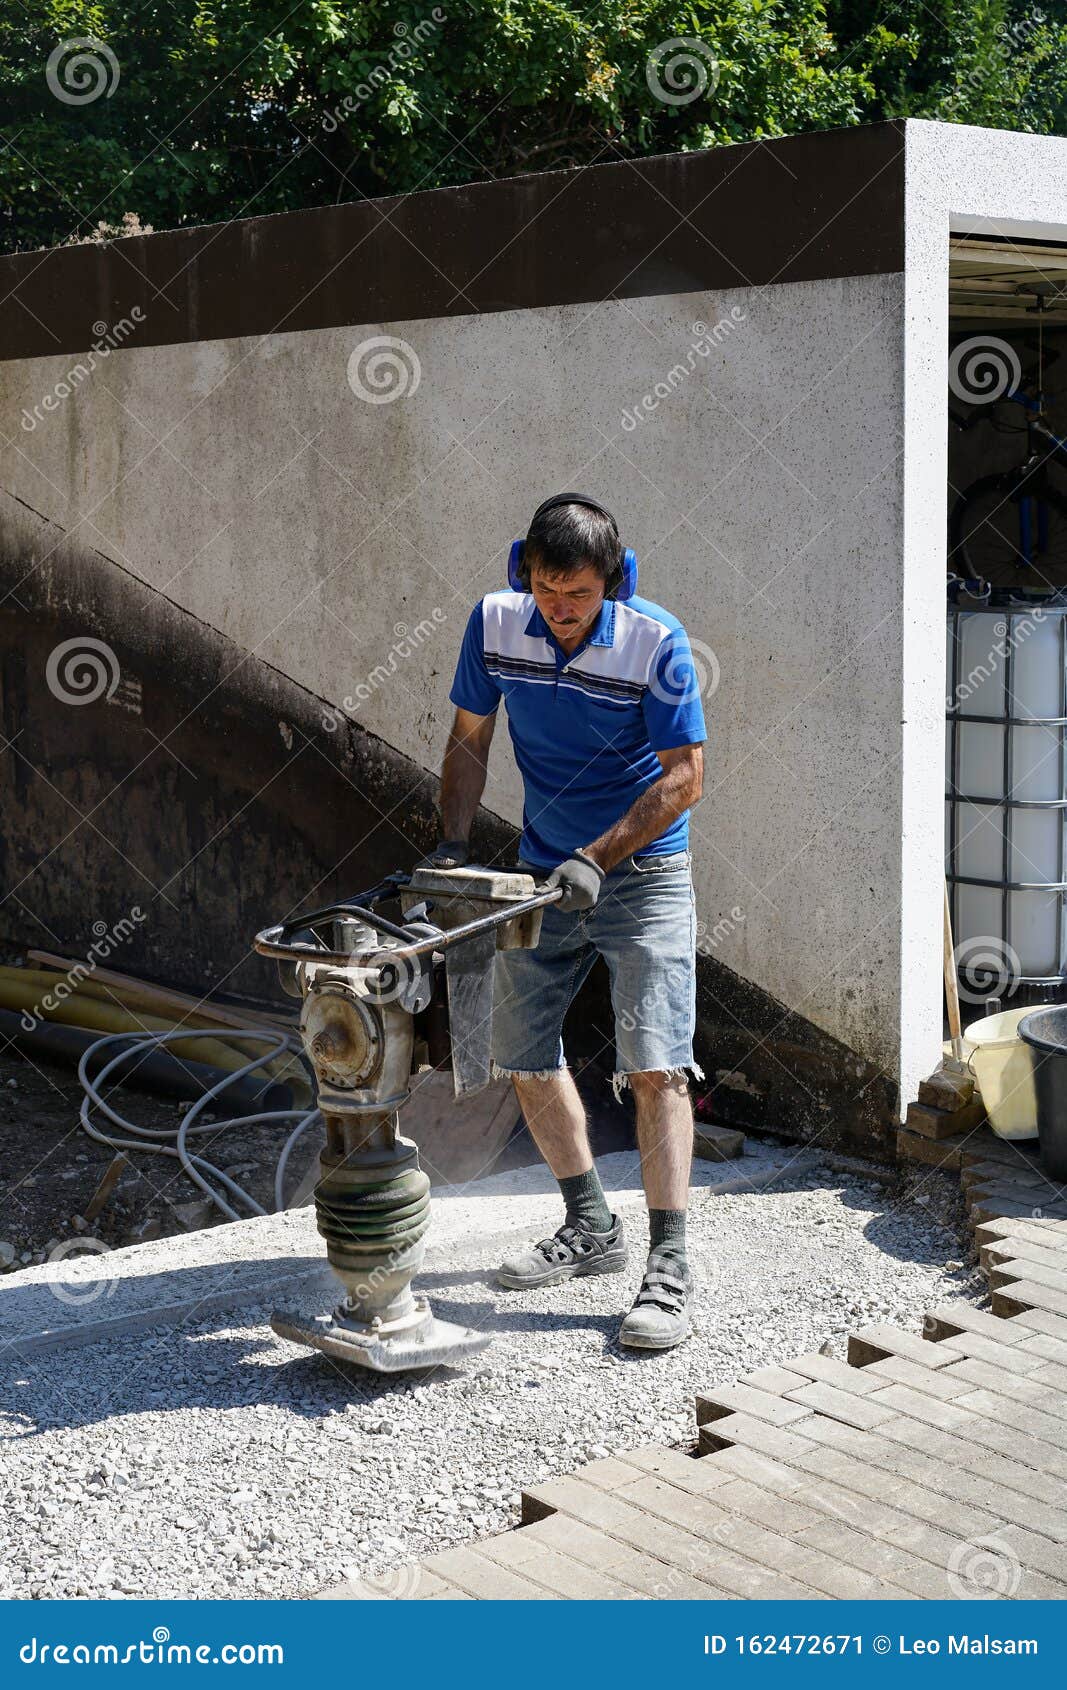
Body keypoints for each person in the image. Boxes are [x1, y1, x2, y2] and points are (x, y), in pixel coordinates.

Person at [429, 493, 706, 1350]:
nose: (560, 610)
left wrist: (599, 856)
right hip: (540, 874)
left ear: (613, 583)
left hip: (643, 870)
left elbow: (685, 777)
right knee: (519, 1052)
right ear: (524, 573)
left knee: (655, 1064)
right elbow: (469, 740)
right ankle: (589, 1226)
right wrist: (450, 847)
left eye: (578, 594)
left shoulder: (657, 642)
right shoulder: (494, 624)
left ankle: (668, 1265)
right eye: (547, 590)